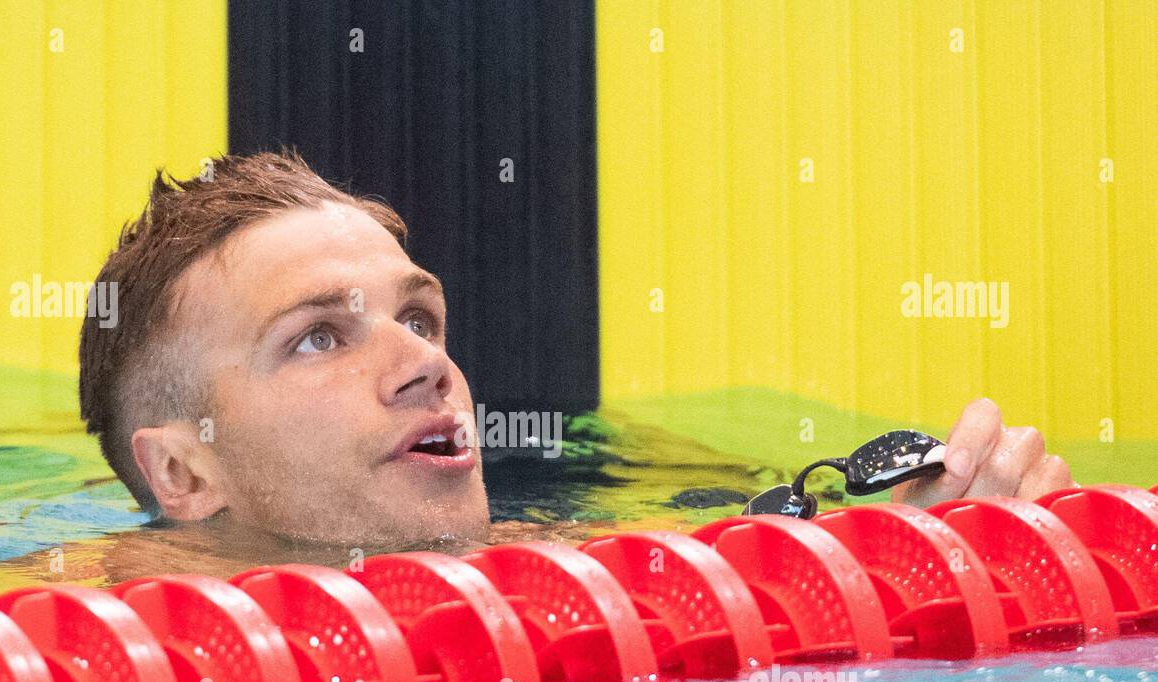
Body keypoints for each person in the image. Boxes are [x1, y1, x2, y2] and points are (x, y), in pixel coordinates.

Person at [77, 149, 1073, 556]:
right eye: (318, 337)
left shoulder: (579, 562)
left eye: (418, 318)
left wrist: (936, 549)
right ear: (182, 467)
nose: (427, 368)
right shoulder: (66, 640)